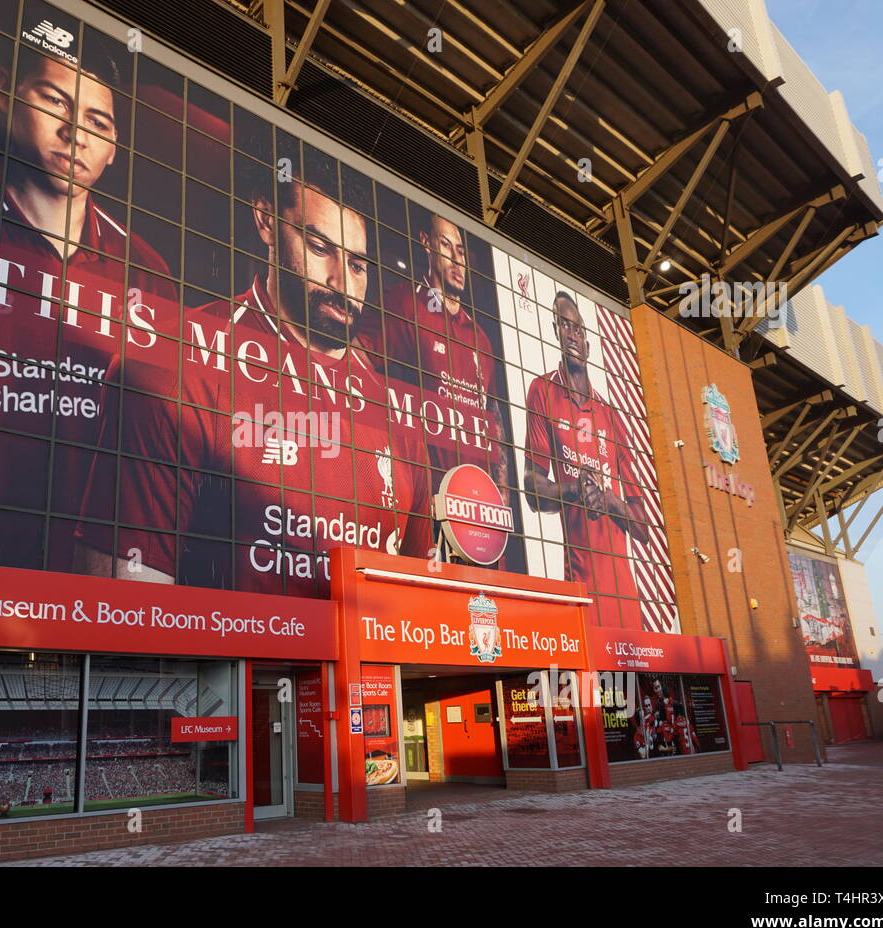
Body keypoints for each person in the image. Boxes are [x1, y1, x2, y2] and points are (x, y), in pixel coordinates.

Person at [74, 165, 433, 596]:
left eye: (358, 265)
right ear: (265, 220)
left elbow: (412, 608)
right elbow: (122, 610)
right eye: (320, 247)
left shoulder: (397, 418)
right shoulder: (174, 361)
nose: (342, 282)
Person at [0, 39, 177, 561]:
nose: (76, 133)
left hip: (82, 589)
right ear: (4, 90)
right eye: (55, 102)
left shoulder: (148, 274)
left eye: (99, 123)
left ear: (113, 150)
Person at [356, 212, 517, 568]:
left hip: (480, 521)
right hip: (425, 516)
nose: (457, 259)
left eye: (461, 250)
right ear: (426, 243)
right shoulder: (401, 305)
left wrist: (501, 501)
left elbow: (494, 423)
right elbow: (353, 364)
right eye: (446, 245)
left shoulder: (482, 339)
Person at [522, 292, 648, 627]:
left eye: (577, 328)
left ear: (588, 345)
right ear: (554, 331)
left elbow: (643, 528)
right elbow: (531, 489)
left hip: (626, 602)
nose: (571, 333)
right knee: (590, 681)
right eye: (564, 325)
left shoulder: (611, 416)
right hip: (580, 593)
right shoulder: (542, 391)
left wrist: (609, 500)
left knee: (635, 680)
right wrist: (575, 490)